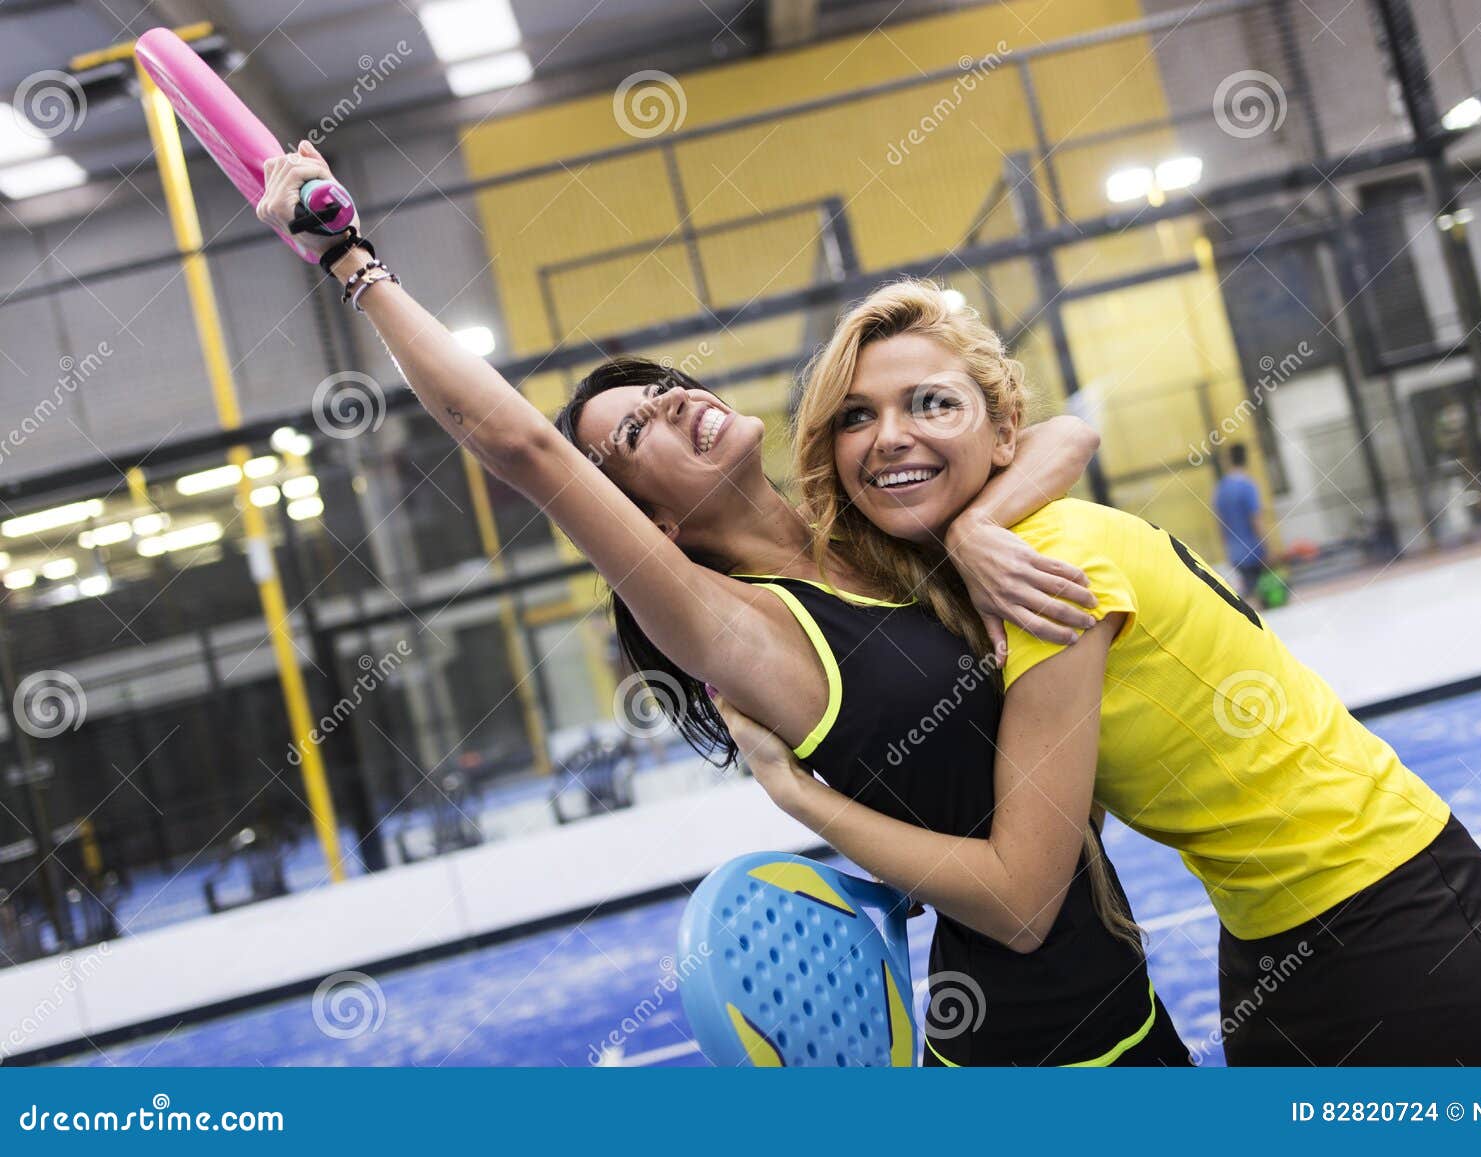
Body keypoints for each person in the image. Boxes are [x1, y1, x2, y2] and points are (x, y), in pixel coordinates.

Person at [255, 143, 1190, 1066]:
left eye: (664, 388)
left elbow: (1060, 433)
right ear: (651, 525)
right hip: (1031, 1054)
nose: (670, 402)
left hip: (1128, 1008)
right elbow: (520, 447)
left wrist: (978, 527)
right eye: (635, 429)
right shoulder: (739, 627)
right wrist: (350, 260)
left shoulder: (873, 519)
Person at [715, 278, 1481, 1066]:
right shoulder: (993, 559)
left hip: (1390, 915)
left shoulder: (1043, 571)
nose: (891, 434)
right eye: (856, 416)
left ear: (1003, 431)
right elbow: (1066, 436)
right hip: (1274, 929)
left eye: (930, 402)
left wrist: (798, 796)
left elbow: (1019, 898)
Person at [1212, 443, 1266, 603]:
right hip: (1253, 549)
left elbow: (1219, 522)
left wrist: (1226, 547)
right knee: (1259, 594)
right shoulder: (1247, 486)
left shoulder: (1221, 488)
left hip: (1234, 552)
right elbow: (1255, 519)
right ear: (1246, 458)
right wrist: (1266, 545)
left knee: (1246, 594)